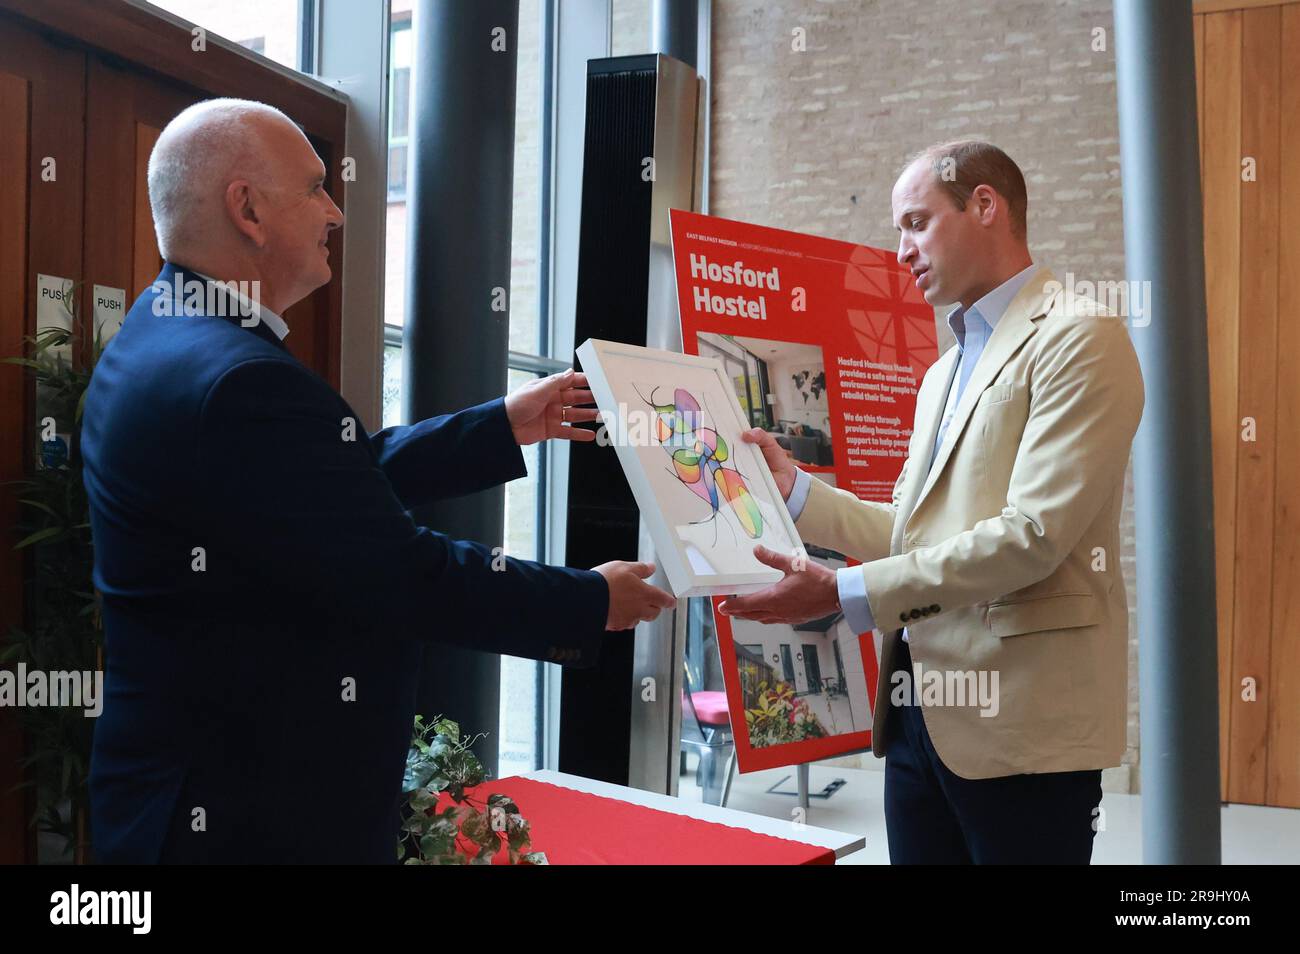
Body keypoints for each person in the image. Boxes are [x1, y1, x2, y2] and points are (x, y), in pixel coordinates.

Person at [81, 98, 674, 863]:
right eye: (316, 187)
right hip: (245, 819)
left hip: (185, 799)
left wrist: (498, 425)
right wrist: (591, 600)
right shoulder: (238, 380)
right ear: (248, 209)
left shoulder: (165, 335)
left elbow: (318, 491)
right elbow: (402, 570)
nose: (334, 211)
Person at [721, 140, 1144, 864]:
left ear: (986, 206)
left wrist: (847, 592)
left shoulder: (1080, 335)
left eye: (916, 223)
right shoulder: (943, 371)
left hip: (1023, 728)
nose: (902, 251)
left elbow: (1032, 537)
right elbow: (913, 533)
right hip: (920, 717)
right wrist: (794, 490)